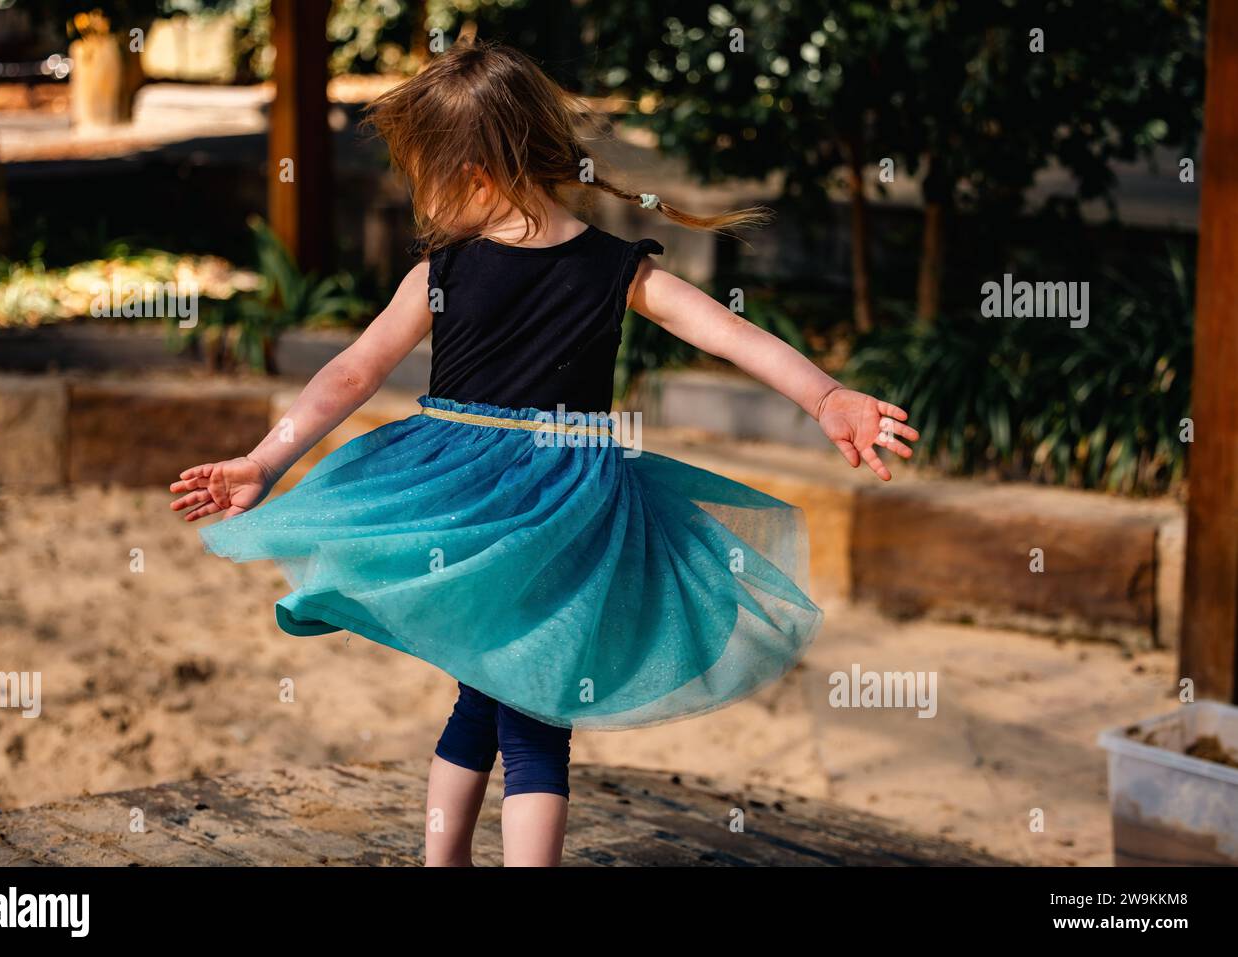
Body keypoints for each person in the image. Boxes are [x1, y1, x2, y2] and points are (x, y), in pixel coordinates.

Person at [170, 40, 918, 867]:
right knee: (536, 722)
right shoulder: (613, 267)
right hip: (570, 514)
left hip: (460, 510)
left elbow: (350, 373)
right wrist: (826, 396)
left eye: (426, 177)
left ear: (479, 175)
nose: (420, 199)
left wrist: (266, 461)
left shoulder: (441, 271)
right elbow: (729, 332)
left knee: (480, 704)